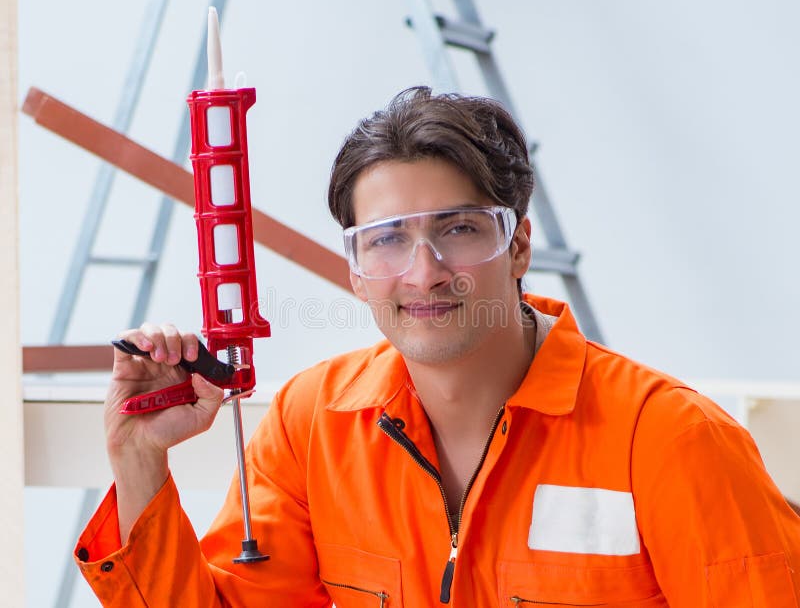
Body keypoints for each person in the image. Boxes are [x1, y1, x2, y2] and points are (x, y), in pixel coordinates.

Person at [75, 87, 800, 607]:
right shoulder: (311, 426)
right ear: (357, 272)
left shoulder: (669, 441)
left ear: (517, 245)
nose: (423, 272)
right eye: (386, 239)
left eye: (458, 229)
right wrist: (139, 461)